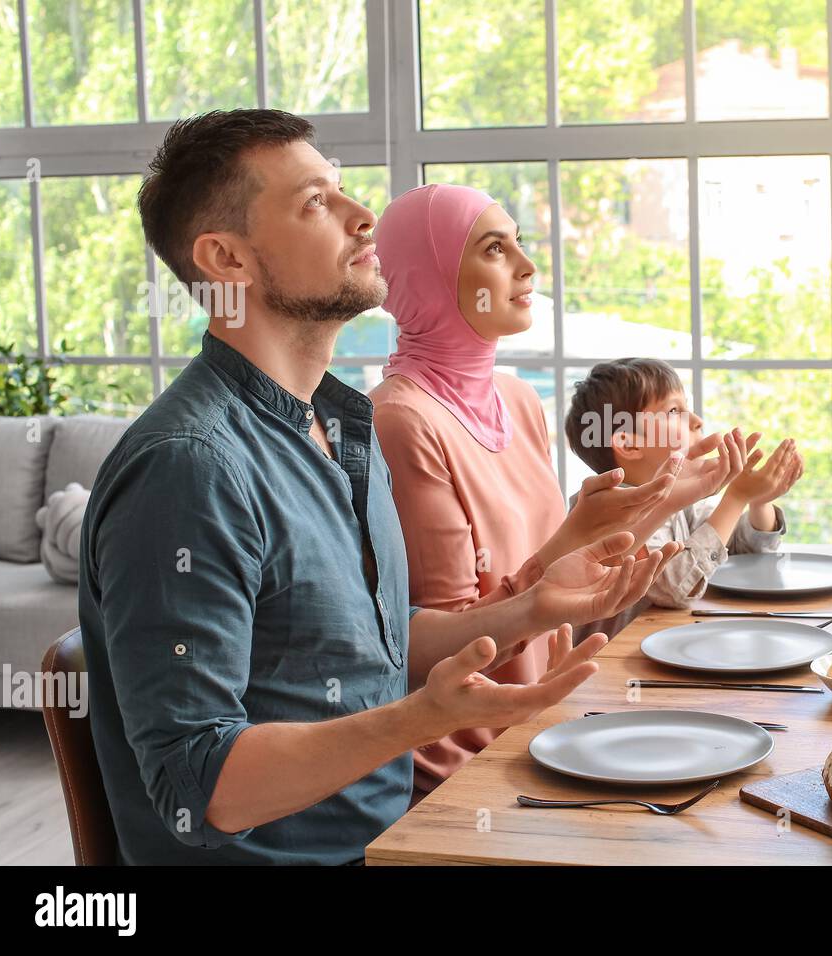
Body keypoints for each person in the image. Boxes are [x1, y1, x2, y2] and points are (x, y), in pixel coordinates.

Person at [79, 109, 672, 864]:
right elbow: (202, 787)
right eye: (316, 202)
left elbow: (379, 652)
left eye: (343, 191)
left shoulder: (341, 424)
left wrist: (534, 606)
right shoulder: (188, 467)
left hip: (405, 841)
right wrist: (417, 720)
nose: (364, 218)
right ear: (227, 259)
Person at [369, 184, 742, 795]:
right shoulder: (401, 420)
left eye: (519, 241)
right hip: (471, 759)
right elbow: (444, 645)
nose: (526, 265)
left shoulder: (517, 400)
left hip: (554, 717)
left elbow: (562, 575)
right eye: (494, 248)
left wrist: (664, 500)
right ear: (429, 276)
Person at [565, 358, 803, 632]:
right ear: (629, 443)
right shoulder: (609, 512)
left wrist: (759, 499)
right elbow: (675, 588)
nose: (697, 420)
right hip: (612, 666)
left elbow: (742, 549)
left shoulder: (676, 498)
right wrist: (735, 498)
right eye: (674, 410)